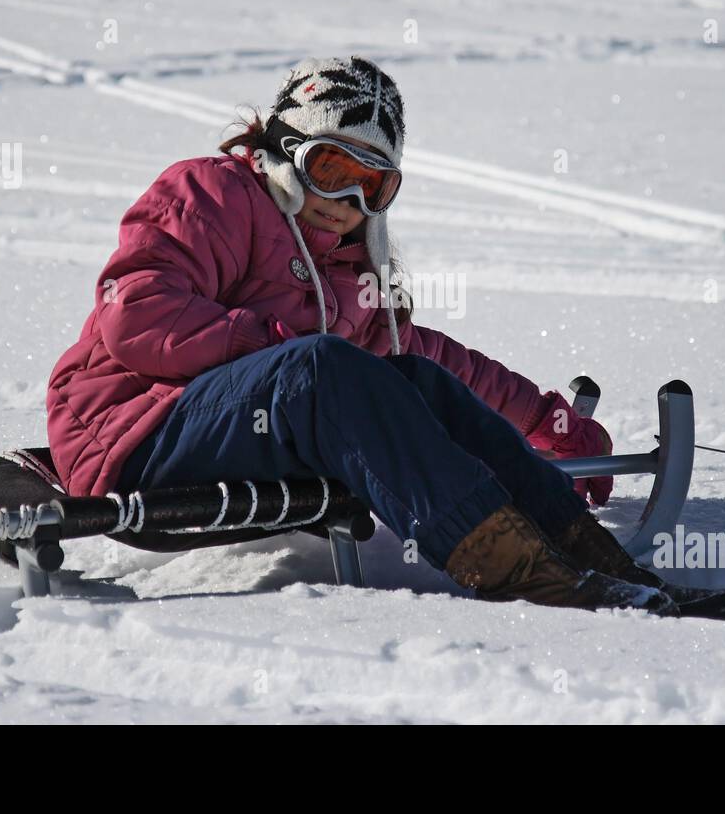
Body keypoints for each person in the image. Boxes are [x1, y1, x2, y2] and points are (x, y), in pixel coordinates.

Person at [46, 55, 679, 614]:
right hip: (131, 437)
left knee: (410, 380)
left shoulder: (347, 270)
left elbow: (424, 359)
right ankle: (517, 570)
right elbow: (136, 314)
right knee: (324, 367)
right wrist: (282, 349)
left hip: (245, 425)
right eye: (330, 167)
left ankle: (589, 555)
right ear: (285, 152)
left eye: (371, 184)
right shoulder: (210, 193)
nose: (346, 198)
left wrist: (547, 420)